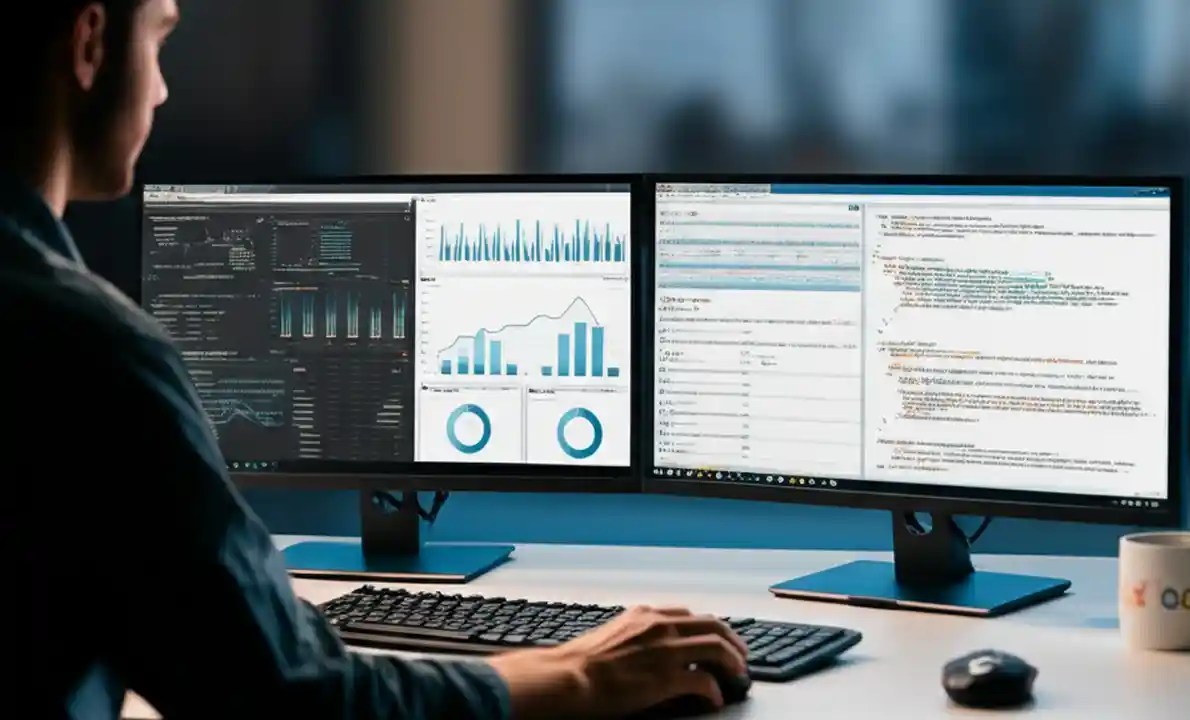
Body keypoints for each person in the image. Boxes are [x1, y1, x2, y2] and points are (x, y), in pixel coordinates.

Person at [0, 2, 748, 718]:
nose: (162, 87)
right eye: (160, 39)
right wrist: (583, 674)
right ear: (91, 43)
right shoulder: (87, 354)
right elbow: (291, 701)